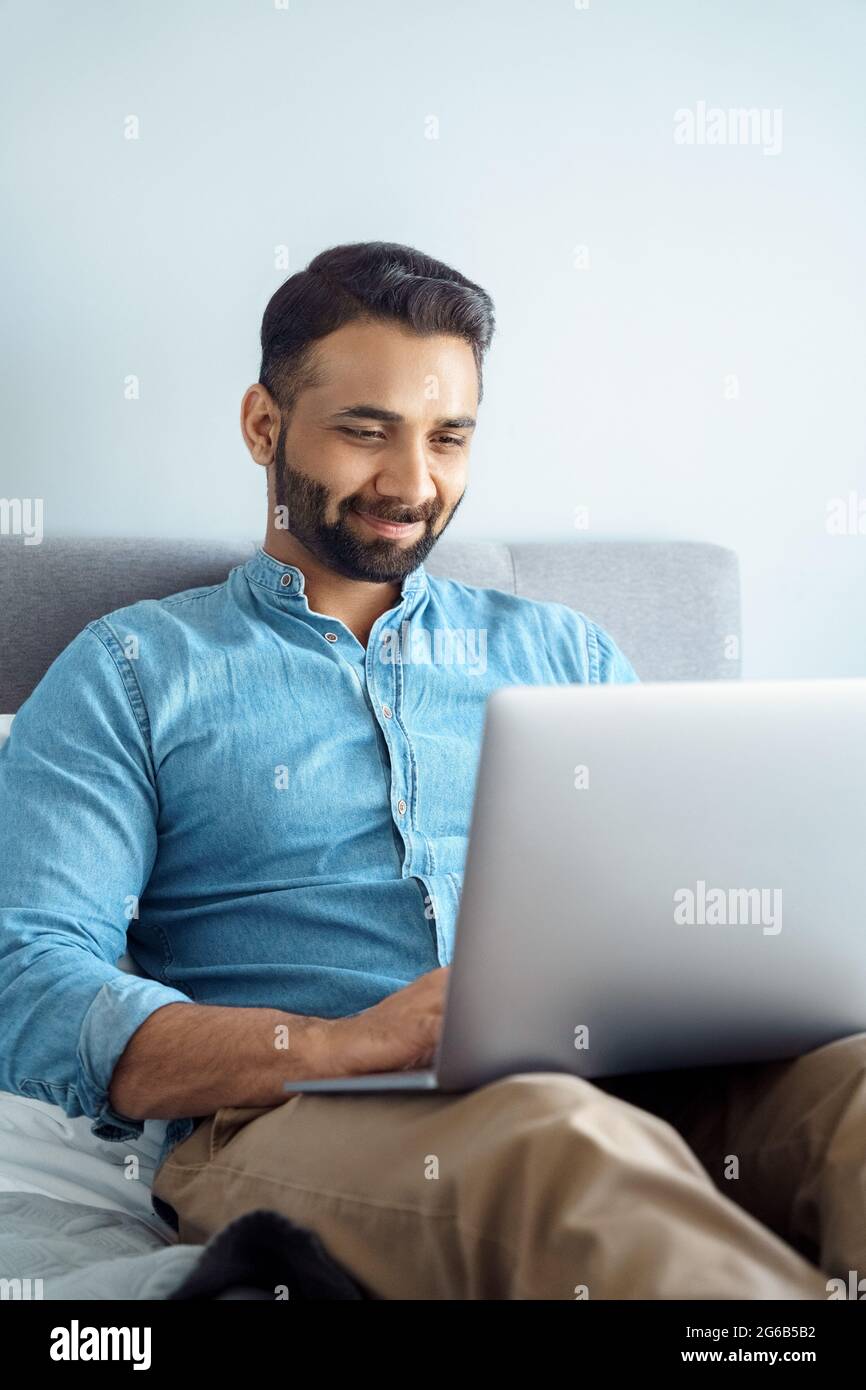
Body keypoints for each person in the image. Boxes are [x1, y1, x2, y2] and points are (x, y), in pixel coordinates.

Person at [0, 242, 860, 1299]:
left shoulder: (567, 655)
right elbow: (29, 982)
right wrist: (344, 1041)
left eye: (447, 438)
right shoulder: (131, 671)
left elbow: (703, 902)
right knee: (557, 1143)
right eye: (367, 432)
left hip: (630, 1071)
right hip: (298, 1119)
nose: (411, 484)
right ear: (263, 426)